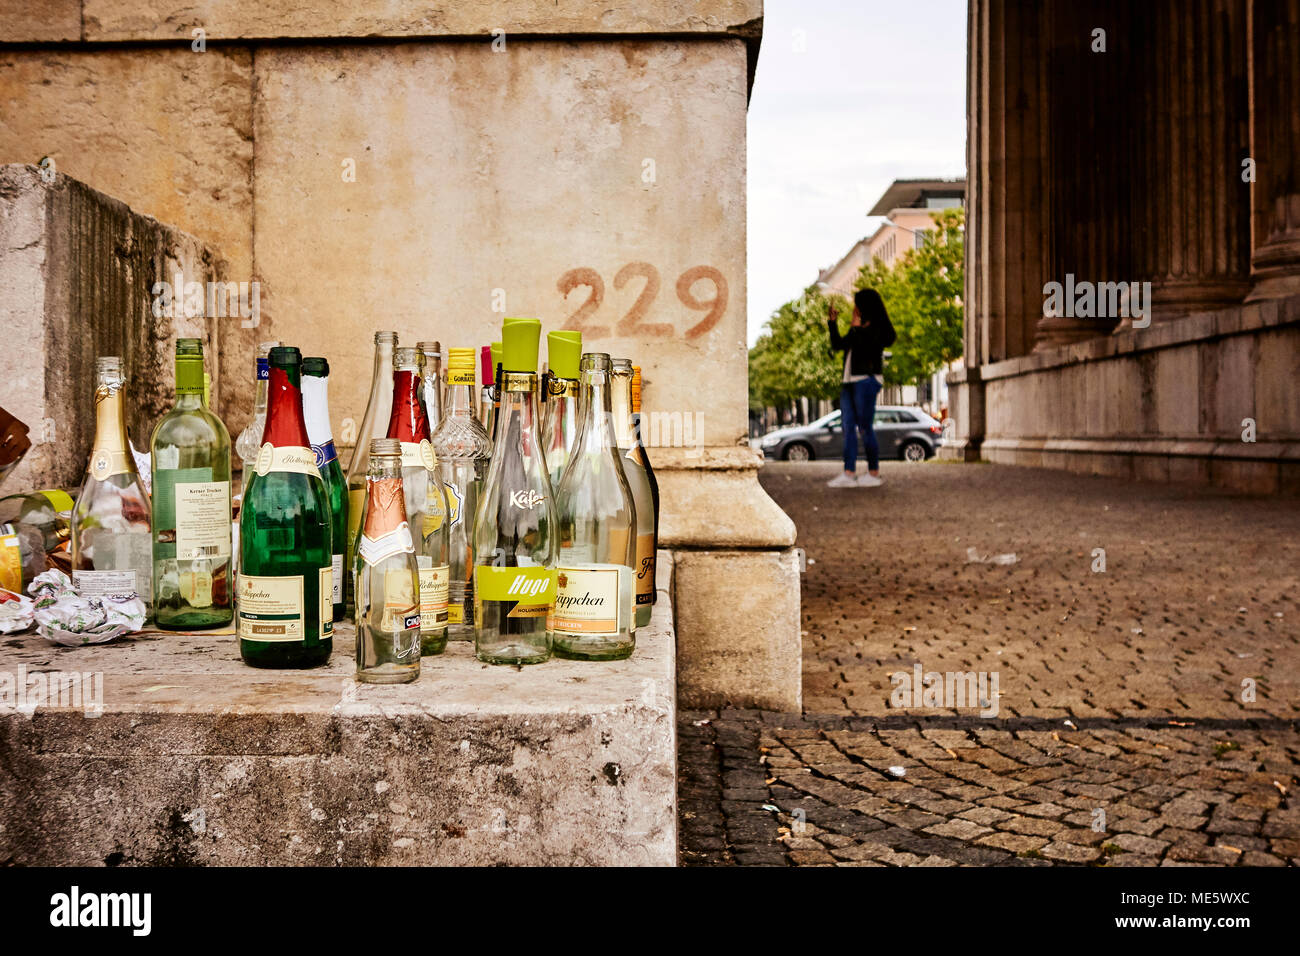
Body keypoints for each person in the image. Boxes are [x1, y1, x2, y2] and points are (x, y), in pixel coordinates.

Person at [826, 288, 895, 488]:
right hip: (849, 381)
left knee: (865, 427)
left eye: (856, 303)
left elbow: (872, 347)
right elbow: (839, 345)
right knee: (847, 427)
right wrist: (832, 323)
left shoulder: (879, 328)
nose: (854, 307)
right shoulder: (858, 327)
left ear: (865, 305)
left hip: (866, 379)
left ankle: (873, 473)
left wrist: (857, 329)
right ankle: (849, 473)